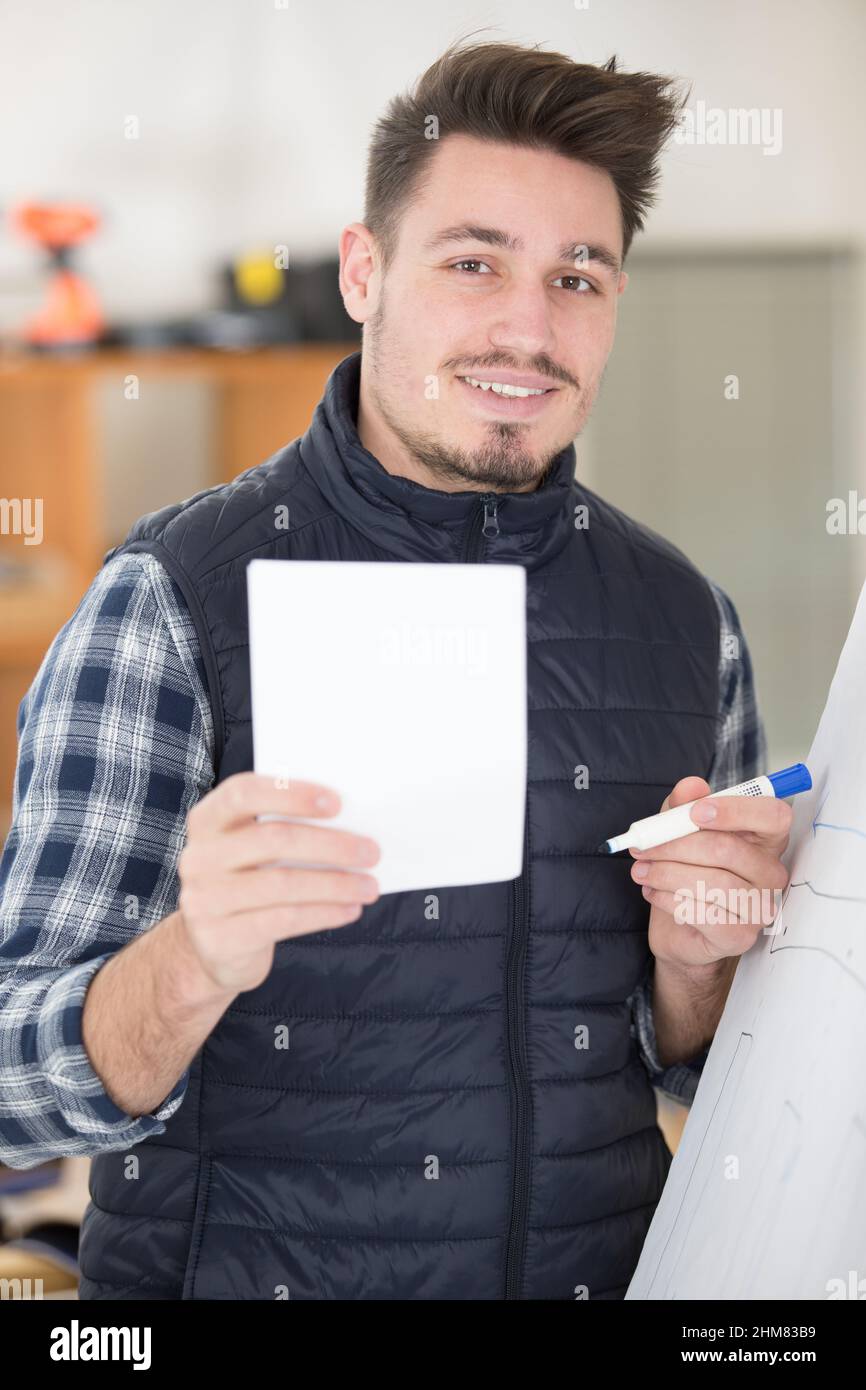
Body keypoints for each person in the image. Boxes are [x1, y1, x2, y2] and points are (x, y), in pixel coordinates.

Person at [0, 39, 790, 1300]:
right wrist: (192, 957)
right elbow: (12, 1091)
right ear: (363, 273)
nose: (526, 330)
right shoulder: (169, 598)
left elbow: (718, 1071)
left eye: (577, 277)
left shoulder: (686, 617)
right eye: (472, 261)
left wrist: (702, 970)